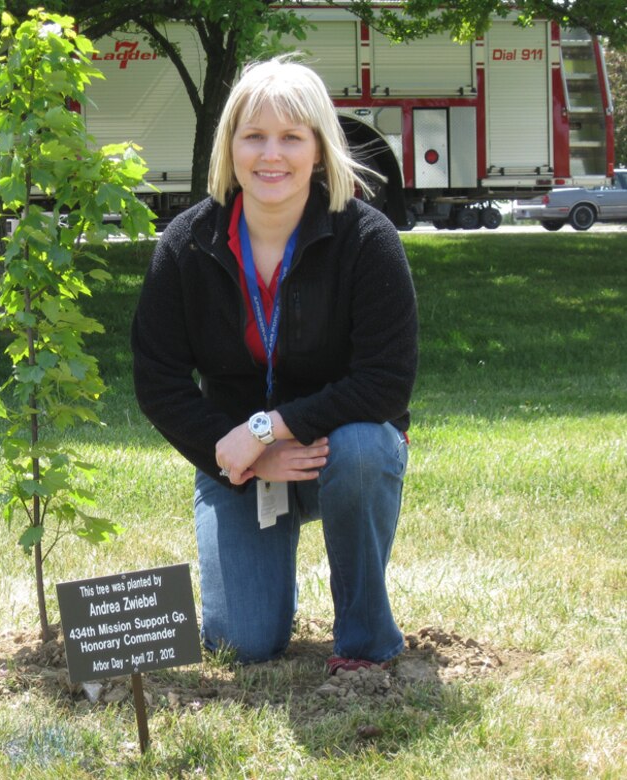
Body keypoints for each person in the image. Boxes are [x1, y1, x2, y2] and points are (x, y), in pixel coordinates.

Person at [131, 57, 418, 673]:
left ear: (319, 149)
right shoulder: (185, 244)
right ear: (228, 145)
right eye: (253, 135)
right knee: (245, 643)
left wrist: (268, 429)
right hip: (237, 464)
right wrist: (242, 452)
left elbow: (386, 382)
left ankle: (366, 642)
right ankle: (267, 590)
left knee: (365, 449)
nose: (271, 155)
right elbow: (157, 380)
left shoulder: (367, 240)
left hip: (336, 453)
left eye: (292, 137)